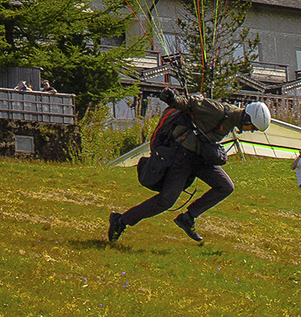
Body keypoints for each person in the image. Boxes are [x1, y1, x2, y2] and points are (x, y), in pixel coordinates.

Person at [109, 89, 270, 244]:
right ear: (248, 119)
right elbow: (191, 103)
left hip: (199, 158)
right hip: (182, 155)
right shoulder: (219, 111)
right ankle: (121, 221)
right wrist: (173, 100)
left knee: (225, 186)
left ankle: (188, 218)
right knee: (166, 200)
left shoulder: (231, 119)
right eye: (253, 128)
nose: (252, 131)